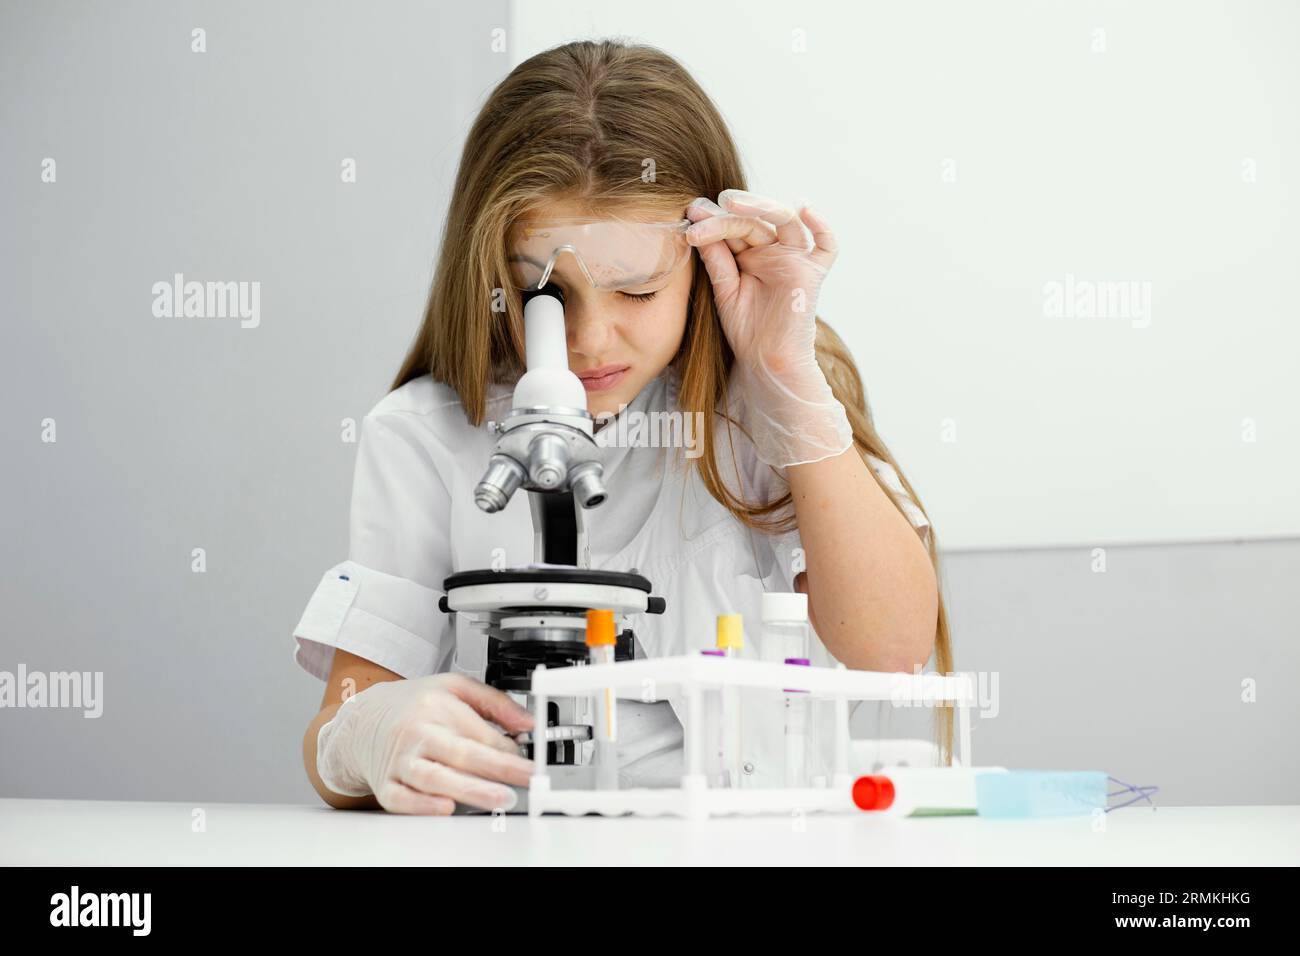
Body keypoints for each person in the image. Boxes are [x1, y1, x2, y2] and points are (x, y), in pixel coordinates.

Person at [293, 39, 949, 814]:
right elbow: (339, 723)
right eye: (546, 295)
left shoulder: (758, 415)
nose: (592, 340)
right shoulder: (422, 436)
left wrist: (788, 382)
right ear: (489, 277)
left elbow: (891, 647)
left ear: (707, 262)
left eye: (636, 292)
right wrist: (365, 738)